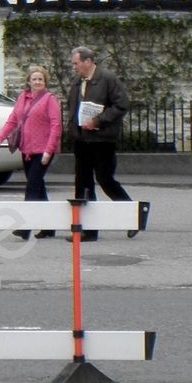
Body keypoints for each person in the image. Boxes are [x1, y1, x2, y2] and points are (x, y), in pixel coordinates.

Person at [61, 46, 133, 239]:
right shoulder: (77, 83)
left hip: (102, 140)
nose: (74, 67)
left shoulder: (108, 79)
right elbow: (73, 108)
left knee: (105, 179)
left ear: (88, 61)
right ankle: (88, 229)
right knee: (82, 183)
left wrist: (98, 121)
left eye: (76, 63)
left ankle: (132, 216)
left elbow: (122, 104)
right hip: (82, 140)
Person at [0, 66, 62, 239]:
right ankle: (49, 227)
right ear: (29, 81)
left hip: (43, 151)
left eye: (41, 79)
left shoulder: (50, 99)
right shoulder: (23, 98)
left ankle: (25, 227)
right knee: (38, 187)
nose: (38, 82)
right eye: (35, 79)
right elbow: (13, 120)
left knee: (32, 187)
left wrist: (49, 150)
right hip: (27, 150)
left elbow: (56, 126)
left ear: (45, 82)